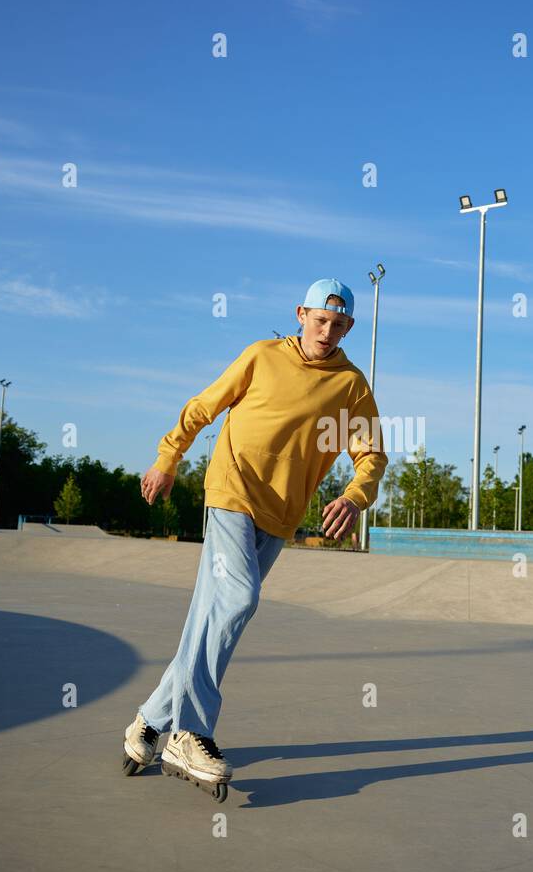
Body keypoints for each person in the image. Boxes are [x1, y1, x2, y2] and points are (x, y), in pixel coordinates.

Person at [122, 278, 388, 796]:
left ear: (349, 327)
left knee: (216, 617)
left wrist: (356, 496)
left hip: (280, 514)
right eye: (319, 320)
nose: (326, 332)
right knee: (239, 597)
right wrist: (167, 459)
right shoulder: (262, 357)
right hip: (231, 492)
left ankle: (148, 721)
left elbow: (370, 454)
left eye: (338, 325)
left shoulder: (349, 386)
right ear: (300, 314)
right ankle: (189, 731)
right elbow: (204, 406)